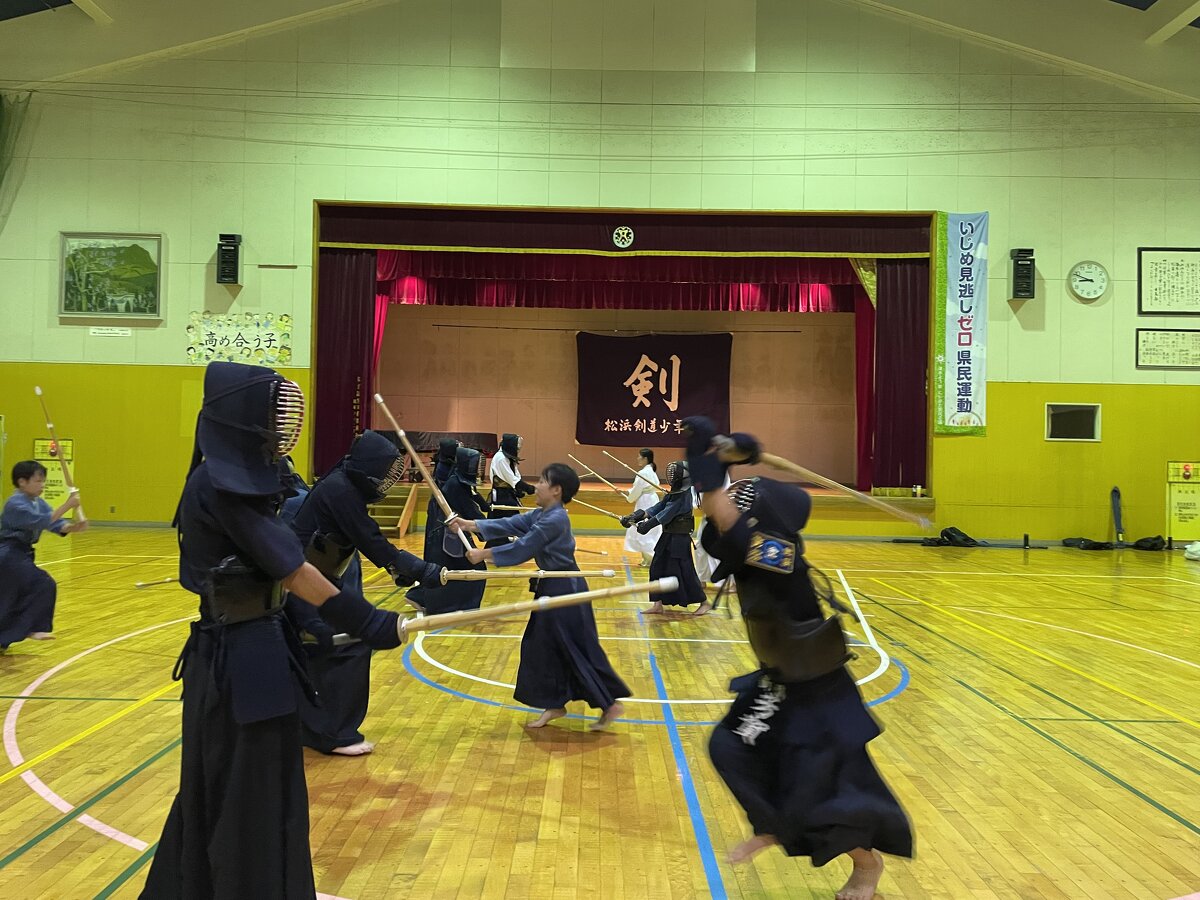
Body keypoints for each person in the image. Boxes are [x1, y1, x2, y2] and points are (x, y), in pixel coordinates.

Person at [141, 362, 431, 899]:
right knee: (241, 789)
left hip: (257, 651)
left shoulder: (240, 487)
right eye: (275, 416)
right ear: (243, 419)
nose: (285, 429)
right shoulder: (219, 487)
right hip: (234, 660)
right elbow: (293, 569)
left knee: (260, 788)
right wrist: (365, 621)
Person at [683, 416, 912, 900]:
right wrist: (731, 451)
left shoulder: (777, 552)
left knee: (828, 795)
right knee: (729, 747)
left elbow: (726, 521)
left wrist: (706, 455)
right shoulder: (749, 544)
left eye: (746, 505)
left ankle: (864, 867)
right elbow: (716, 522)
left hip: (818, 693)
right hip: (781, 683)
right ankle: (773, 824)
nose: (731, 510)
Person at [285, 430, 443, 756]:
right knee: (348, 644)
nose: (386, 481)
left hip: (319, 581)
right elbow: (373, 542)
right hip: (305, 586)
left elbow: (366, 542)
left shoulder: (344, 485)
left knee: (333, 647)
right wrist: (420, 570)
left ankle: (318, 728)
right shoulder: (340, 490)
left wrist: (400, 570)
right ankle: (335, 733)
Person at [451, 463, 629, 731]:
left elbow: (525, 547)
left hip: (565, 589)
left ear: (556, 490)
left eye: (543, 481)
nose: (537, 485)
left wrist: (483, 555)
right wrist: (469, 524)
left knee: (573, 647)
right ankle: (555, 704)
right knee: (542, 647)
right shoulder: (543, 513)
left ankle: (608, 704)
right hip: (553, 586)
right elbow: (510, 523)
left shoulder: (555, 519)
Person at [0, 461, 86, 650]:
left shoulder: (38, 503)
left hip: (21, 553)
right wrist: (68, 505)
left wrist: (74, 527)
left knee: (9, 597)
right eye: (38, 481)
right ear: (22, 482)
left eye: (43, 481)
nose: (42, 485)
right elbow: (40, 521)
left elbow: (55, 523)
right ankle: (33, 627)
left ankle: (3, 638)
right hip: (7, 553)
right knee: (43, 583)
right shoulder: (15, 504)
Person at [407, 446, 489, 614]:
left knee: (452, 570)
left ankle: (426, 598)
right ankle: (455, 606)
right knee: (472, 569)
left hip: (456, 530)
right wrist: (486, 529)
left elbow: (472, 500)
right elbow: (469, 509)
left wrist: (486, 509)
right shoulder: (454, 483)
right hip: (447, 534)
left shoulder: (460, 481)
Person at [622, 460, 708, 616]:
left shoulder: (684, 495)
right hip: (668, 536)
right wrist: (637, 516)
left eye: (675, 472)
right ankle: (658, 604)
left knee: (686, 570)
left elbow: (666, 514)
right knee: (656, 567)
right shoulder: (675, 492)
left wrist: (647, 525)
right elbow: (658, 507)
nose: (672, 475)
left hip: (679, 539)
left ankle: (704, 602)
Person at [484, 432, 535, 547]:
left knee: (512, 521)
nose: (518, 449)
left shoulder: (508, 457)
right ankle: (495, 548)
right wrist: (529, 488)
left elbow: (516, 476)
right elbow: (513, 480)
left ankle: (506, 546)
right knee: (501, 522)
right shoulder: (501, 458)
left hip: (508, 493)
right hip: (501, 495)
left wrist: (519, 490)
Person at [622, 448, 661, 567]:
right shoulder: (650, 471)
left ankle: (649, 559)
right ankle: (647, 558)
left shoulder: (644, 473)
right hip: (651, 499)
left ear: (645, 459)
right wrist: (626, 492)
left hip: (645, 502)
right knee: (649, 527)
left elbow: (637, 490)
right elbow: (641, 489)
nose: (637, 459)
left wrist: (629, 496)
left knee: (643, 527)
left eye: (639, 457)